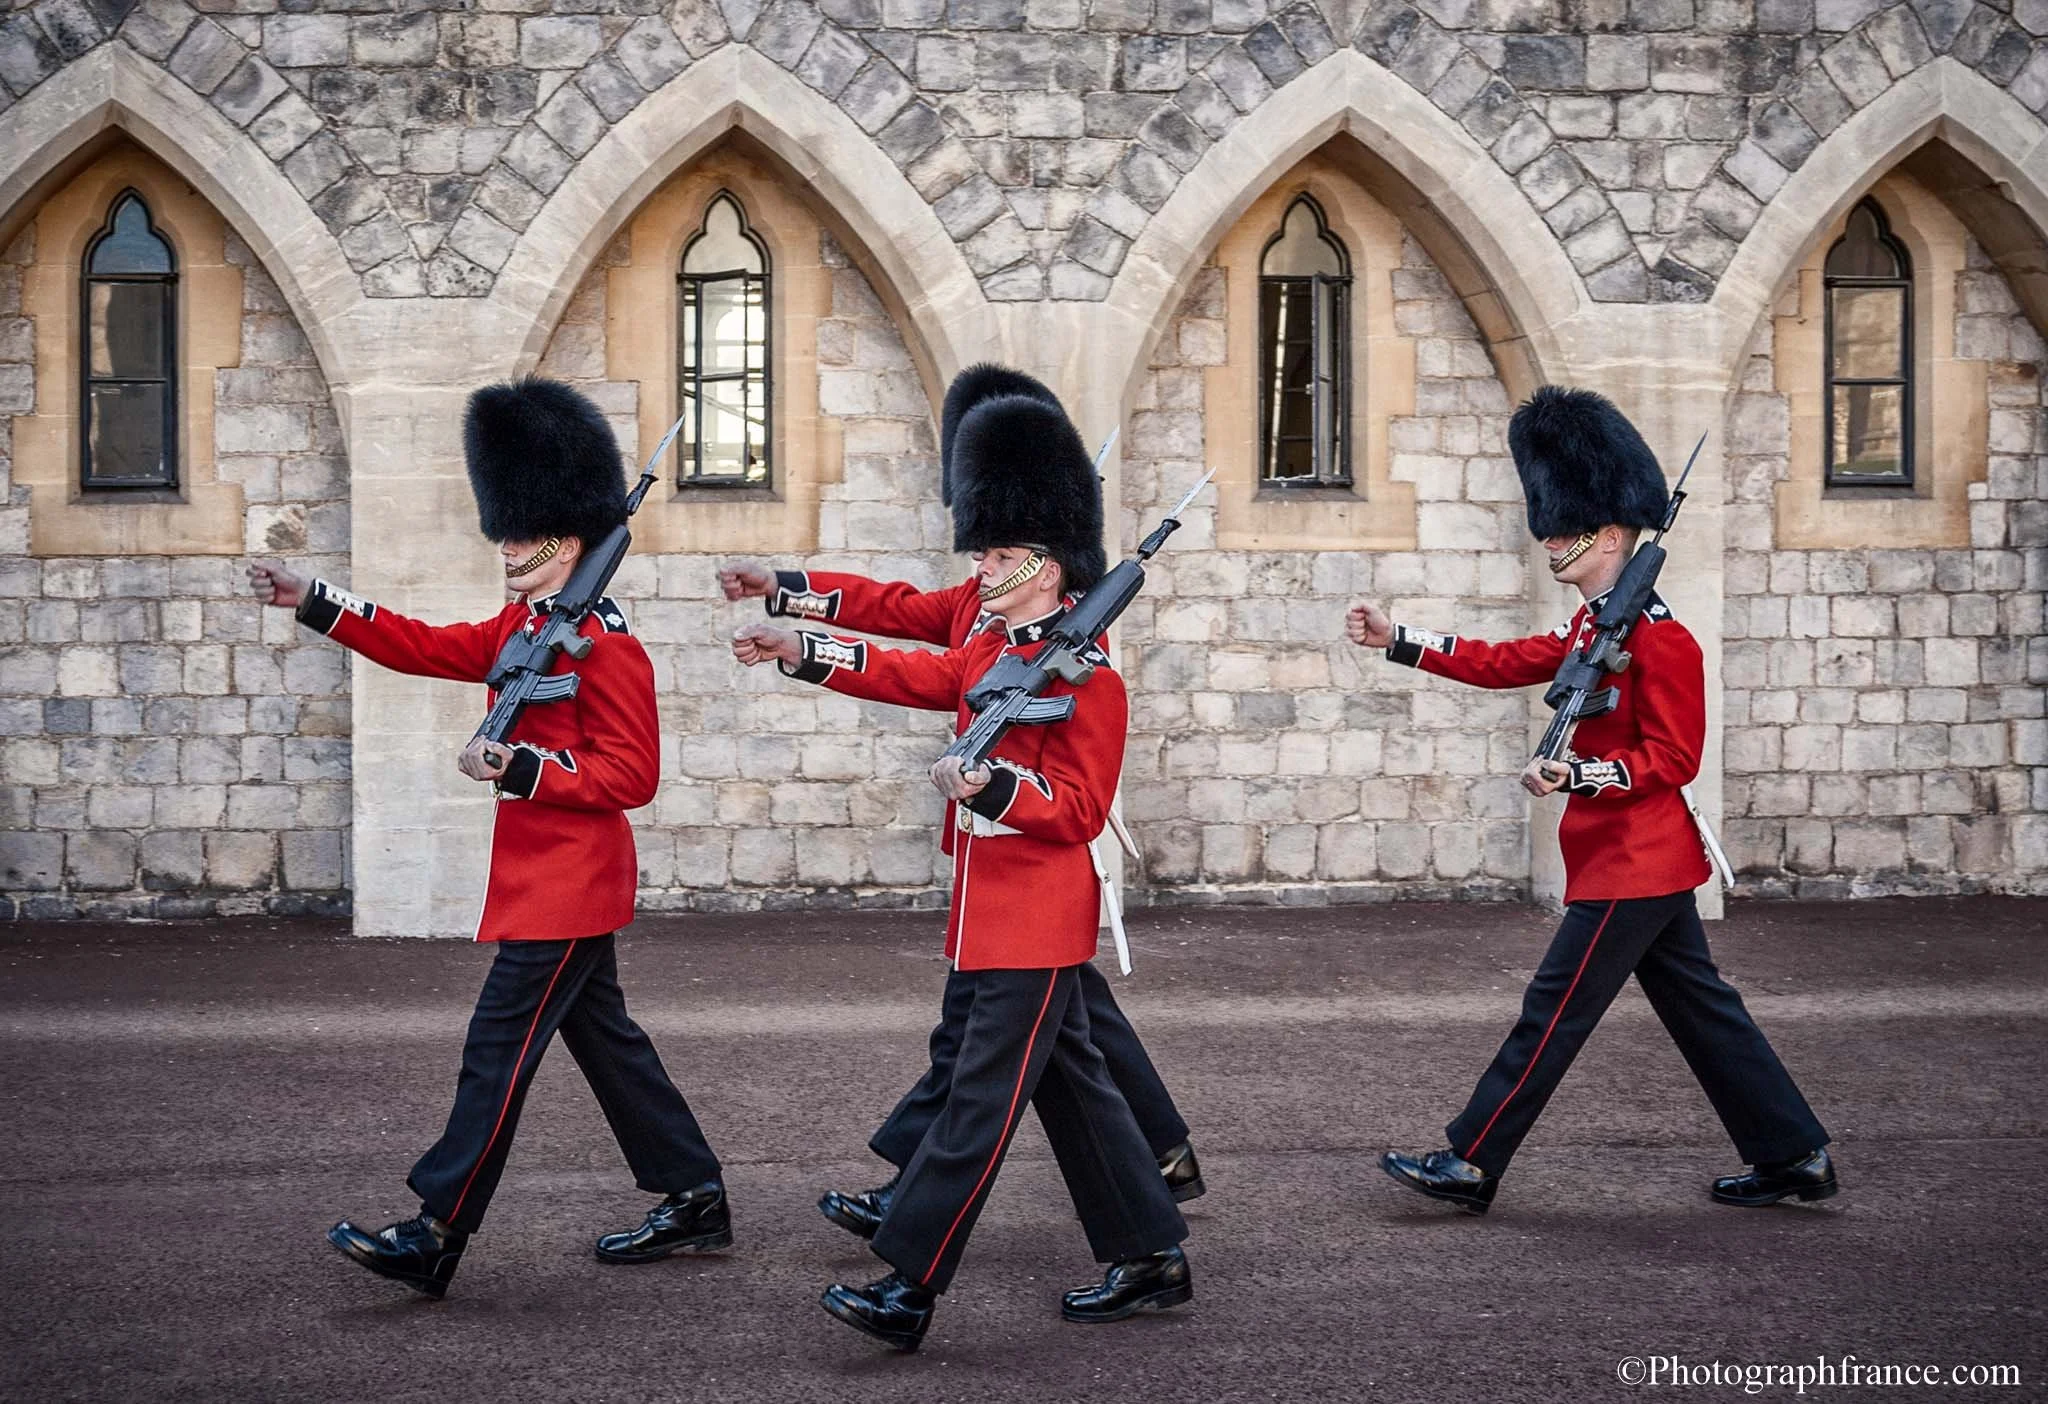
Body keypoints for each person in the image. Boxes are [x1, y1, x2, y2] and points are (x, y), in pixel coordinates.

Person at [732, 372, 1191, 1350]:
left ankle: (908, 1284)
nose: (979, 566)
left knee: (977, 1107)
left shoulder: (1092, 681)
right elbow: (918, 664)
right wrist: (798, 646)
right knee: (1073, 1088)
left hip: (1036, 915)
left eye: (997, 552)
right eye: (981, 550)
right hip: (991, 911)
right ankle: (1149, 1255)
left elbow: (1078, 812)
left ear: (1046, 562)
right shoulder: (993, 646)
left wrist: (992, 791)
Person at [248, 377, 728, 1298]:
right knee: (608, 1043)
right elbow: (423, 644)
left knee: (495, 1053)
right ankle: (694, 1194)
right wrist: (316, 599)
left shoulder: (609, 647)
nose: (507, 548)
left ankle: (437, 1230)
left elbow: (633, 778)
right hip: (540, 883)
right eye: (504, 531)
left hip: (572, 886)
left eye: (523, 534)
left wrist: (522, 769)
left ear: (569, 539)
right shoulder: (525, 626)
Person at [1353, 386, 1835, 1215]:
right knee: (1705, 1014)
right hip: (1627, 862)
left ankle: (1471, 1160)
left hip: (1635, 862)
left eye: (1567, 531)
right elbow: (1503, 659)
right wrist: (1400, 639)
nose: (1552, 542)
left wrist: (1575, 776)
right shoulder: (1591, 629)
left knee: (1552, 1013)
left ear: (1610, 535)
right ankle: (1794, 1154)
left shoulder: (1664, 638)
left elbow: (1675, 760)